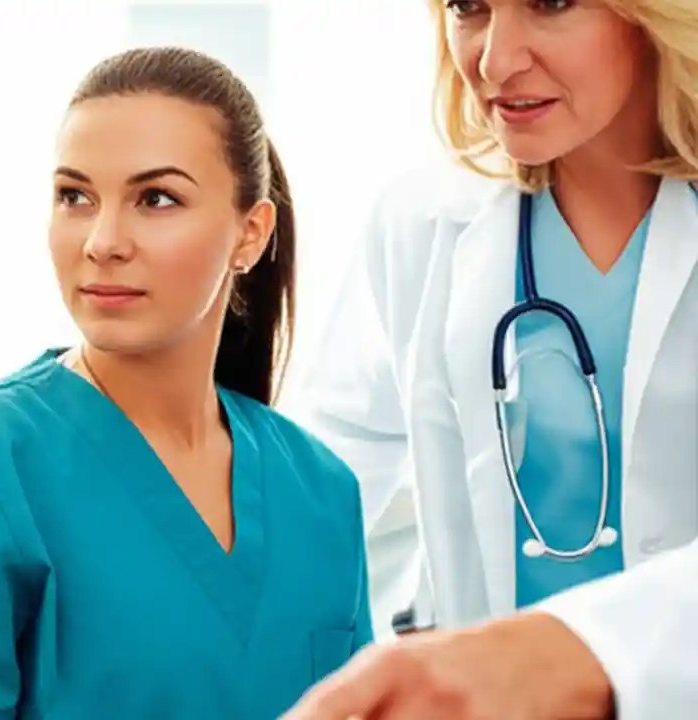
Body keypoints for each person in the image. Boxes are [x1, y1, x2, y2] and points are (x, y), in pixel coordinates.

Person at [0, 47, 372, 719]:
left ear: (250, 235)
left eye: (156, 199)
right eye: (75, 197)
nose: (102, 240)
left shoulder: (319, 492)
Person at [284, 0, 698, 717]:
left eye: (552, 3)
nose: (495, 59)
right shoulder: (423, 224)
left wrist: (579, 649)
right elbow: (323, 479)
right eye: (468, 7)